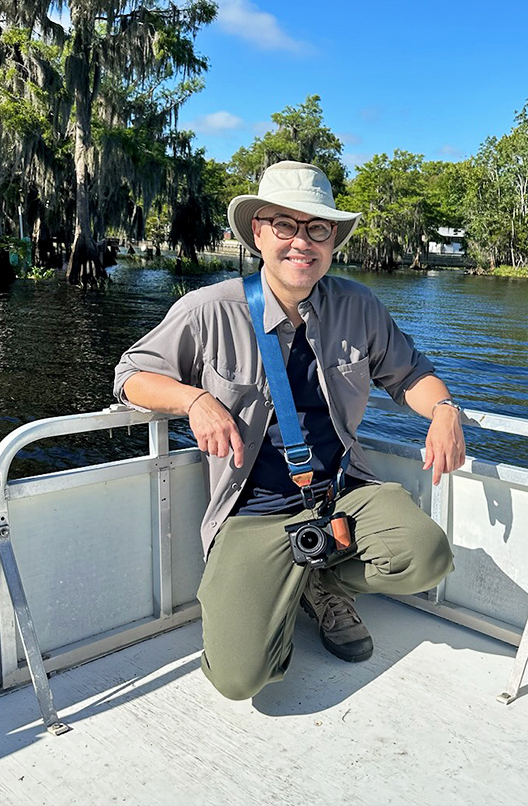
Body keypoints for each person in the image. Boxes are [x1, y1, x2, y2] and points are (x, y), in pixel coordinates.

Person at [114, 161, 465, 700]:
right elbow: (131, 377)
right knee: (239, 678)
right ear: (258, 233)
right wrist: (195, 400)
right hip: (252, 510)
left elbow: (411, 373)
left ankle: (321, 581)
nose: (302, 242)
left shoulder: (358, 306)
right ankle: (290, 585)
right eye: (285, 226)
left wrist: (444, 411)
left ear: (333, 242)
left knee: (427, 555)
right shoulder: (210, 310)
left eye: (318, 229)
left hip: (343, 492)